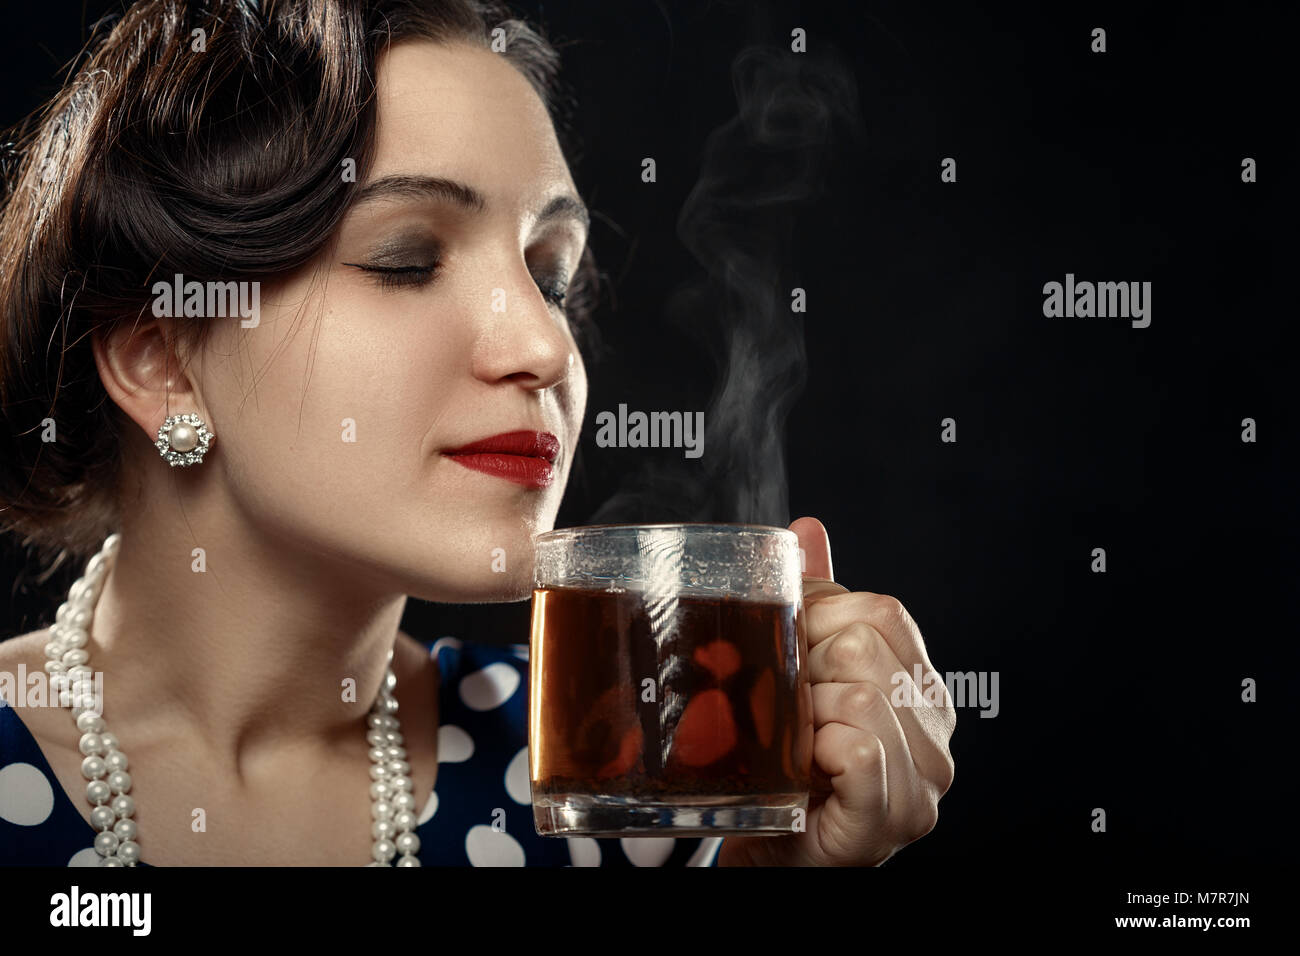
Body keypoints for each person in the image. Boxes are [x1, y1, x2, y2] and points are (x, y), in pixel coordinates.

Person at [0, 0, 954, 867]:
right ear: (161, 362)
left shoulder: (616, 776)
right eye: (408, 260)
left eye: (552, 276)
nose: (544, 346)